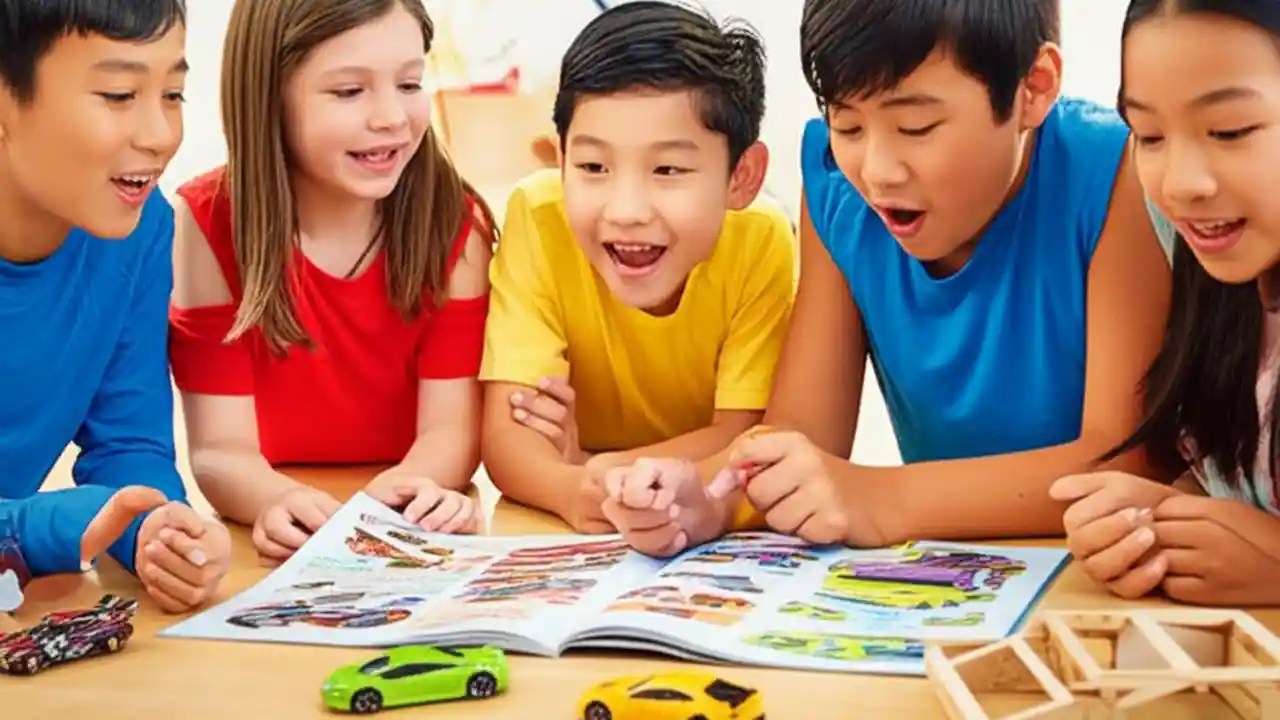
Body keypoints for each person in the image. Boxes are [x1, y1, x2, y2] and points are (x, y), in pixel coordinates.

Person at [603, 0, 1175, 557]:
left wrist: (877, 497)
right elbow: (802, 436)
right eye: (848, 125)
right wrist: (707, 498)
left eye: (916, 126)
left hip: (1110, 575)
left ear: (1035, 87)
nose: (876, 170)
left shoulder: (1115, 172)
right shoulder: (835, 184)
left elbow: (1122, 461)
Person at [168, 0, 495, 567]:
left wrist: (400, 498)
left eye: (410, 83)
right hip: (280, 535)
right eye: (350, 92)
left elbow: (451, 431)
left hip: (402, 525)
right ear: (269, 95)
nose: (392, 117)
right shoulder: (204, 225)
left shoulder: (456, 226)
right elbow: (221, 450)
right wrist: (279, 502)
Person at [478, 1, 797, 533]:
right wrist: (571, 488)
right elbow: (510, 437)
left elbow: (745, 433)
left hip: (698, 520)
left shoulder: (762, 240)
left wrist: (591, 466)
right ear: (559, 161)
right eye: (592, 167)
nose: (625, 211)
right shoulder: (537, 215)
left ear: (742, 176)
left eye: (668, 169)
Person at [0, 0, 229, 612]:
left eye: (174, 94)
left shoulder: (139, 230)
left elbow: (128, 442)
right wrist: (47, 526)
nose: (159, 134)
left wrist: (154, 529)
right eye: (119, 94)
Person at [1053, 0, 1280, 607]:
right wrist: (1158, 520)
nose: (1181, 182)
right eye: (1148, 135)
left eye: (1230, 131)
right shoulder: (1195, 242)